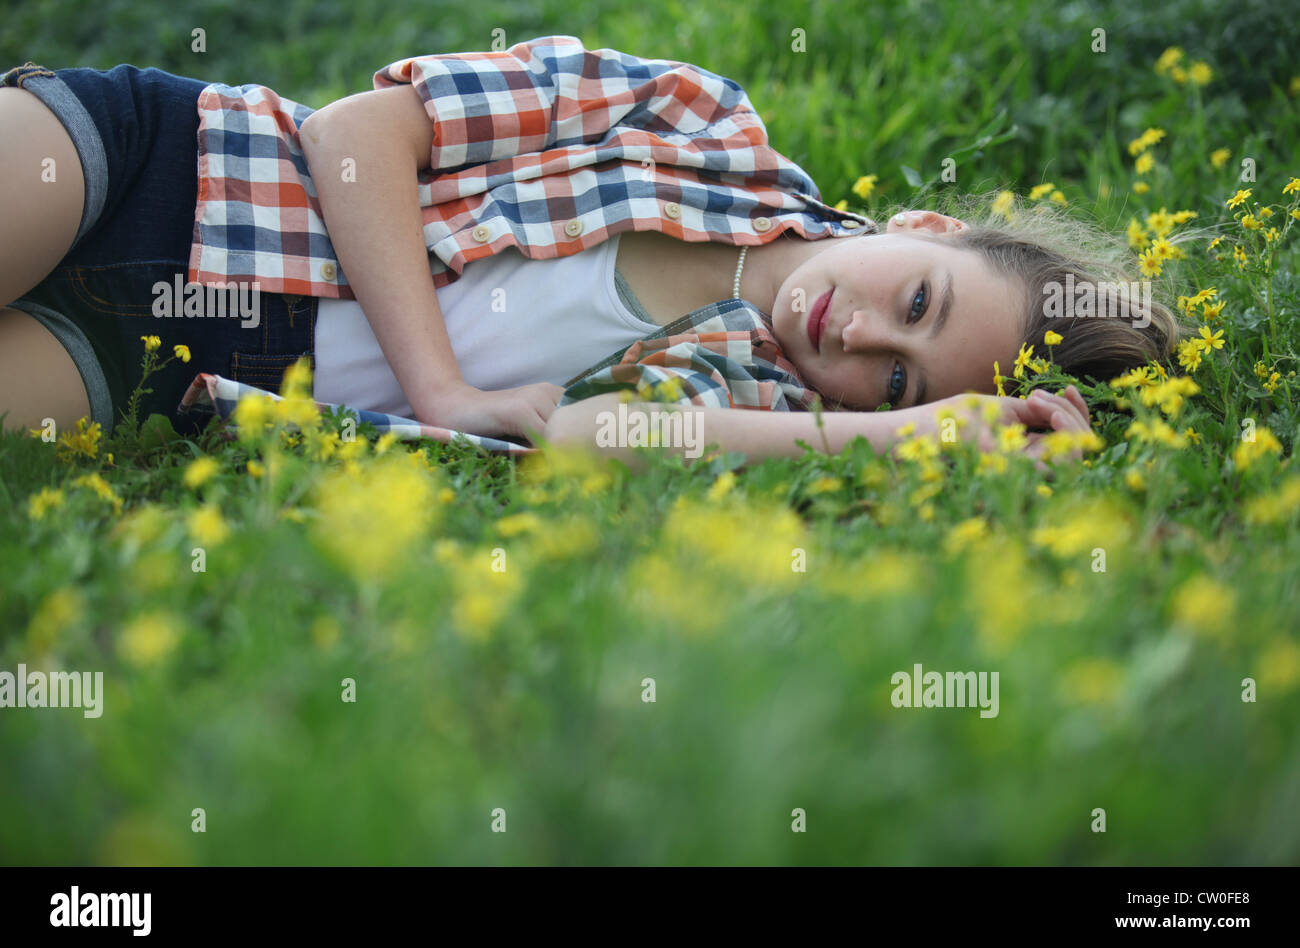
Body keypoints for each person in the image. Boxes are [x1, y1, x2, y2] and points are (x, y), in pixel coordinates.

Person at [0, 35, 1181, 463]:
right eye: (916, 302)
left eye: (892, 375)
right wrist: (440, 388)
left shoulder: (758, 392)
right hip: (162, 166)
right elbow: (357, 132)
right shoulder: (699, 123)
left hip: (162, 365)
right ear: (928, 228)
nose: (860, 336)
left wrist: (910, 435)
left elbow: (580, 434)